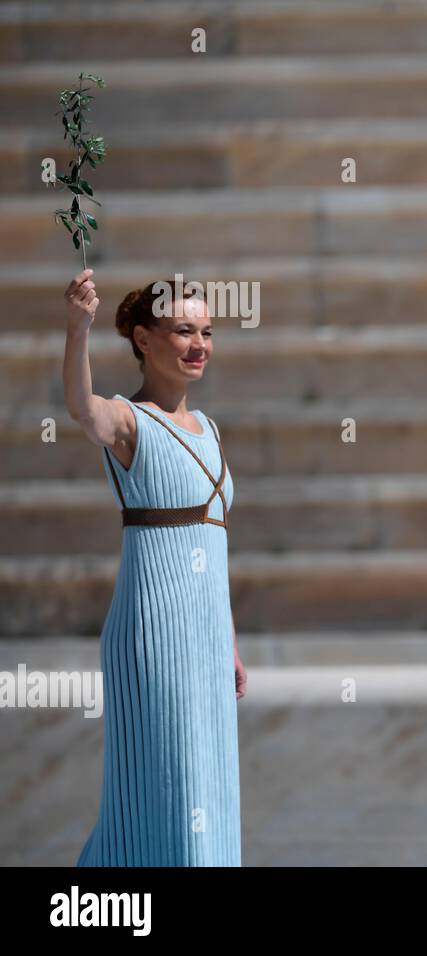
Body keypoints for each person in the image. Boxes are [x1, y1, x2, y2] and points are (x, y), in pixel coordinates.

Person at [62, 271, 243, 866]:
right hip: (154, 633)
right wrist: (78, 328)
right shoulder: (128, 420)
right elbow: (82, 409)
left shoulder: (211, 429)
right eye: (182, 331)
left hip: (206, 634)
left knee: (208, 785)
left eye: (207, 332)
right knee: (163, 786)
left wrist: (230, 641)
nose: (199, 345)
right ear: (143, 340)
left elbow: (213, 543)